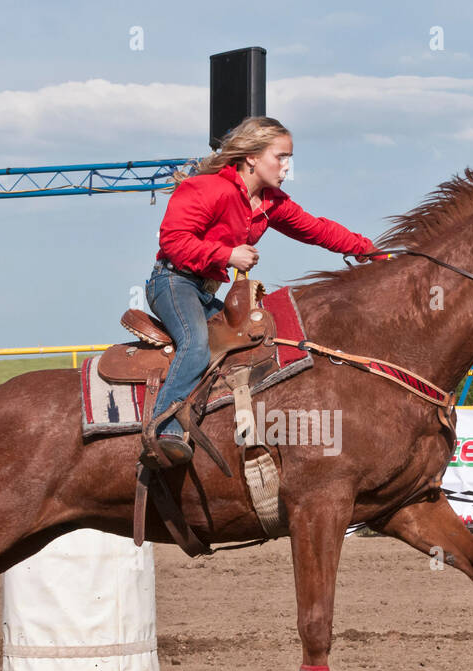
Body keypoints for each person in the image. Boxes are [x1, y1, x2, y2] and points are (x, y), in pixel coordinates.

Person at [145, 116, 378, 466]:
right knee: (195, 344)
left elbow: (316, 229)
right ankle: (162, 430)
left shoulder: (271, 203)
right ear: (252, 157)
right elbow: (174, 242)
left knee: (252, 345)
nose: (286, 167)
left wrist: (367, 250)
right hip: (173, 282)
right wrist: (227, 254)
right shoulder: (209, 188)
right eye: (280, 157)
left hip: (204, 290)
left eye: (289, 159)